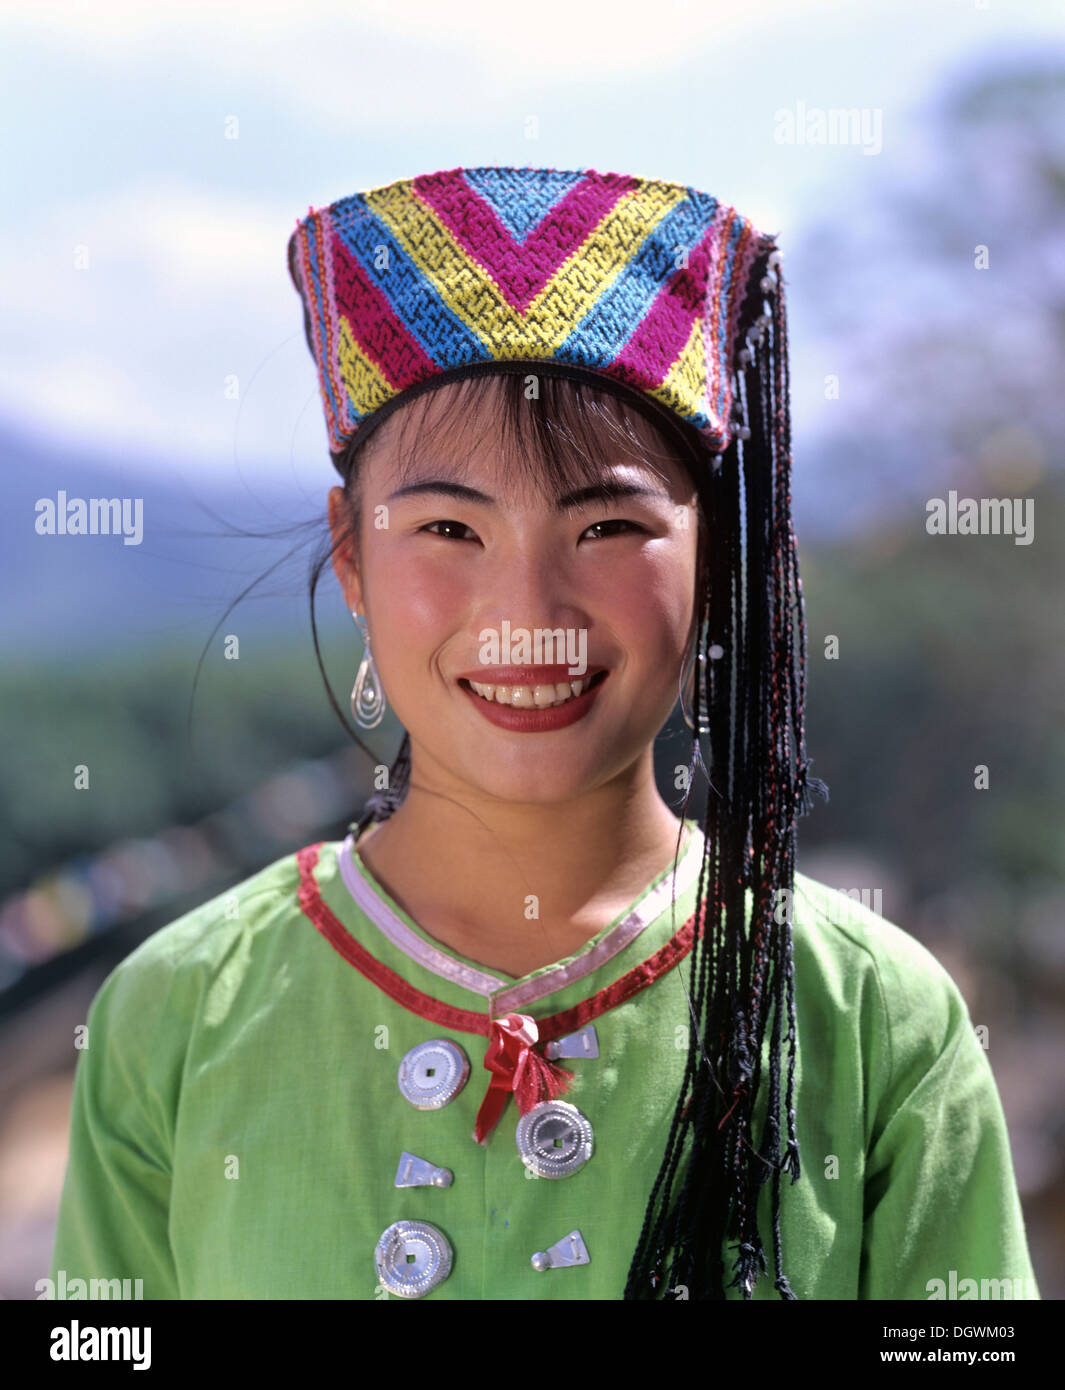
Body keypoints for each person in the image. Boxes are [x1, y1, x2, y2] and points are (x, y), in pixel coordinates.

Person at [49, 166, 1038, 1301]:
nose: (528, 613)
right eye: (448, 527)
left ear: (714, 552)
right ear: (352, 553)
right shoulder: (174, 1016)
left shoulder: (873, 1022)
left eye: (608, 523)